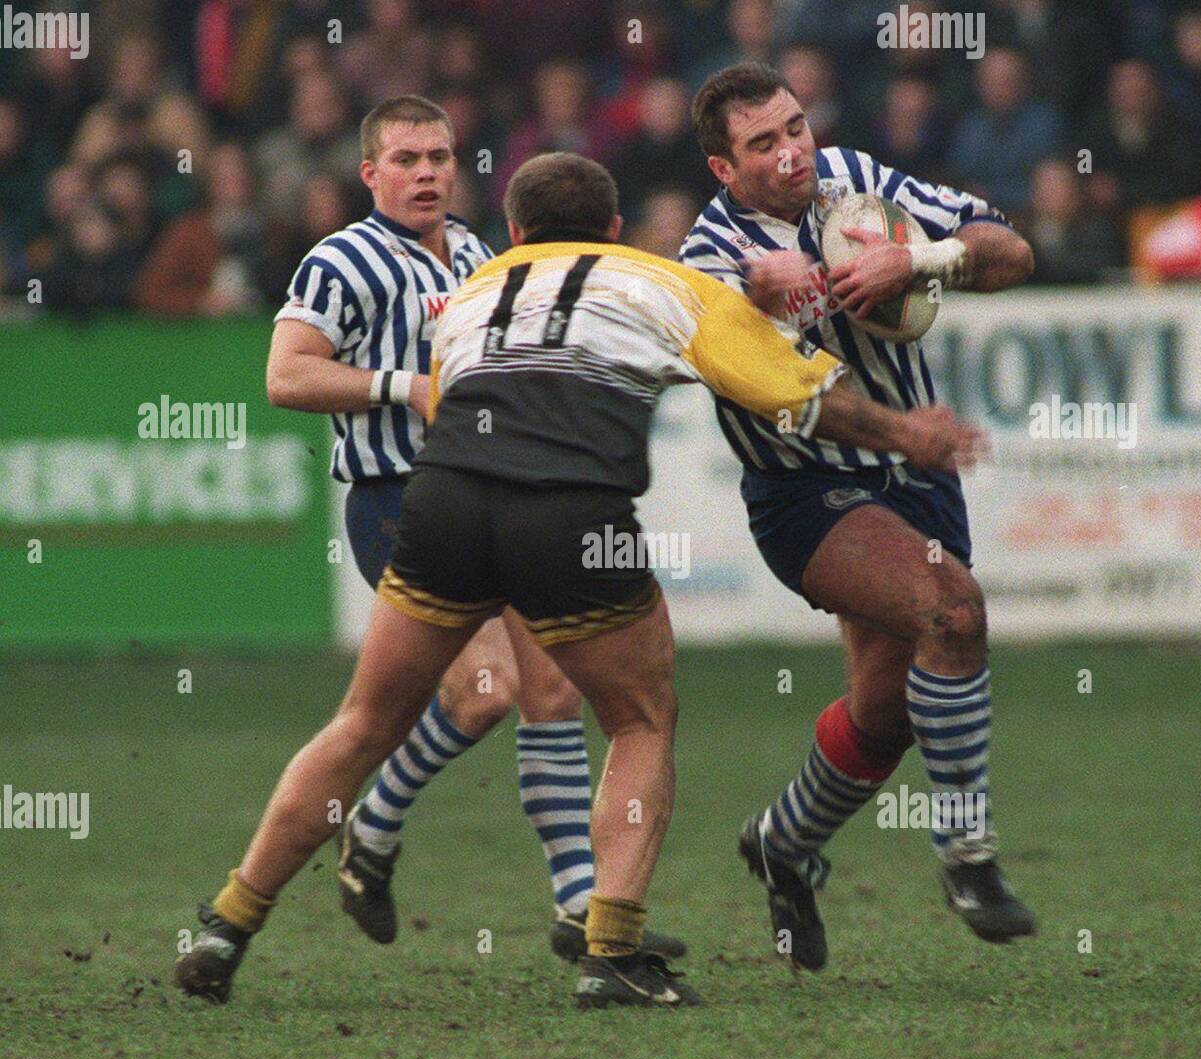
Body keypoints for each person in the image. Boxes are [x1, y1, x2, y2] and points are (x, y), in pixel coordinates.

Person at [175, 150, 985, 1008]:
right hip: (569, 514)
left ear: (516, 232)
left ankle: (229, 921)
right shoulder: (667, 283)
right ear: (613, 230)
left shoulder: (471, 293)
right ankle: (612, 951)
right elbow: (795, 399)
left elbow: (453, 398)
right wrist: (906, 434)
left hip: (444, 501)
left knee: (363, 723)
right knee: (640, 718)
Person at [192, 96, 685, 972]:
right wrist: (403, 388)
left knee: (553, 695)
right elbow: (285, 376)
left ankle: (577, 903)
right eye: (407, 158)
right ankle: (361, 834)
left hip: (503, 495)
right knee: (483, 690)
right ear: (370, 173)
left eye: (440, 156)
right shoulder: (341, 260)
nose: (427, 172)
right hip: (400, 500)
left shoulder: (477, 255)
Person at [679, 62, 1038, 970]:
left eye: (796, 126)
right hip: (809, 492)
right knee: (954, 611)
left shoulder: (860, 184)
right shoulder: (709, 263)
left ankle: (781, 845)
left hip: (914, 475)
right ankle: (969, 857)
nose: (793, 151)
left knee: (890, 713)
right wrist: (769, 291)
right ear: (724, 168)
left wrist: (917, 257)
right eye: (763, 143)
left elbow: (1012, 252)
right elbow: (789, 396)